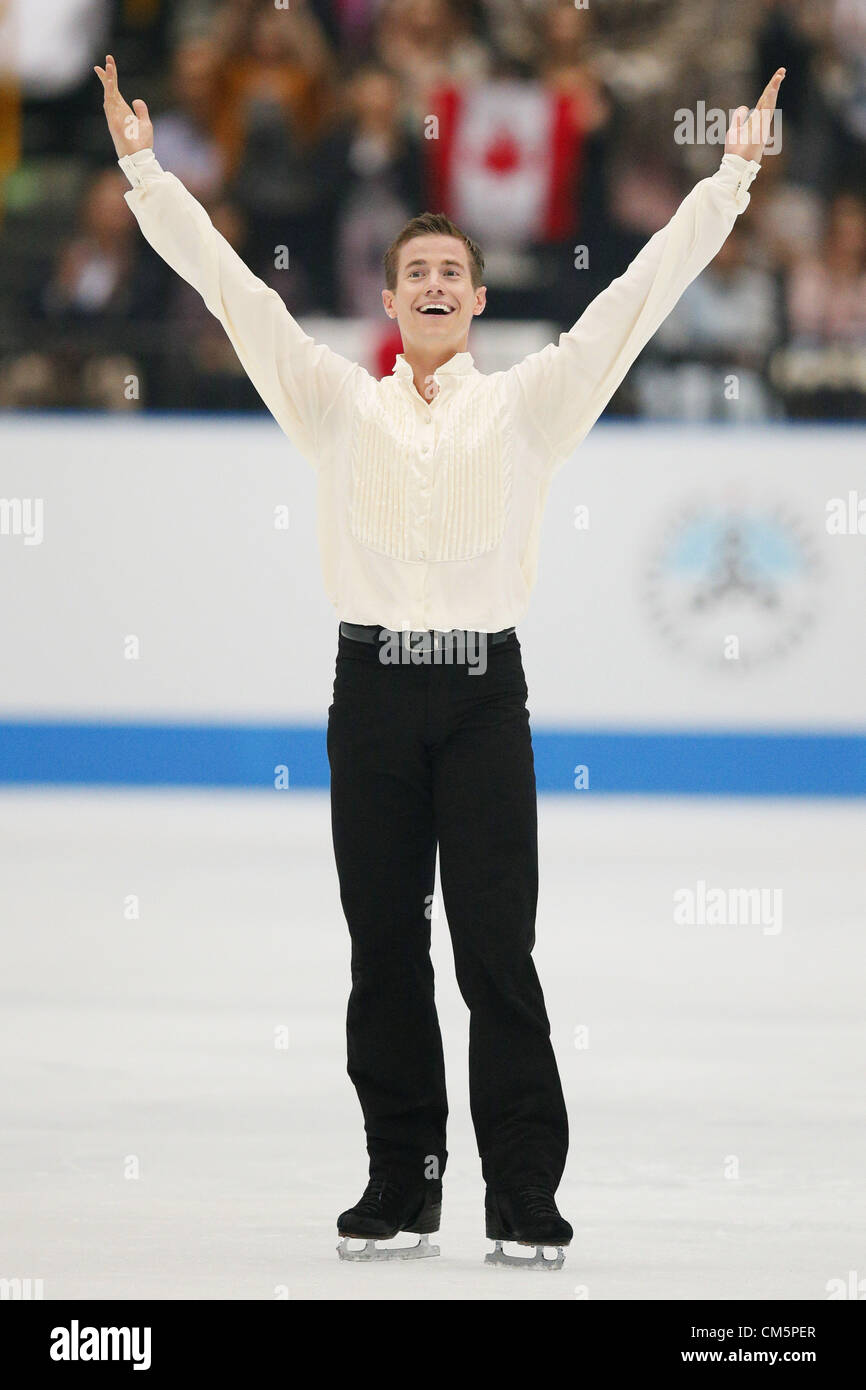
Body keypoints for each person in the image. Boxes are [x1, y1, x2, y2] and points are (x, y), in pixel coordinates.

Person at [94, 53, 784, 1269]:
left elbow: (634, 296)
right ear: (389, 294)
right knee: (383, 953)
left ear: (471, 302)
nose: (429, 284)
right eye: (412, 270)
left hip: (479, 701)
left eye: (448, 273)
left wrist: (729, 176)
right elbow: (232, 295)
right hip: (367, 698)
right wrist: (146, 173)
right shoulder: (332, 404)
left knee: (494, 953)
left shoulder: (528, 404)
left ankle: (523, 1195)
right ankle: (402, 1187)